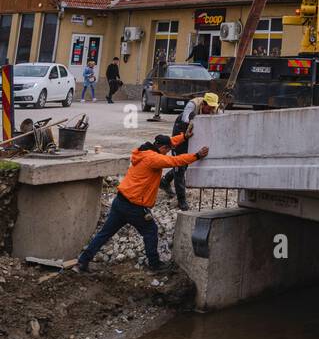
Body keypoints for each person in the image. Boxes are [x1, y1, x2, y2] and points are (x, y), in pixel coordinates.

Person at [74, 134, 208, 273]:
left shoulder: (144, 151)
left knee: (105, 233)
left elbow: (170, 141)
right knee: (150, 231)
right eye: (167, 150)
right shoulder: (153, 158)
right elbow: (174, 161)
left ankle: (82, 262)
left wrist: (184, 136)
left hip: (120, 201)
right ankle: (154, 265)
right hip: (135, 206)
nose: (167, 152)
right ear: (162, 147)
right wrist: (196, 156)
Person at [161, 91, 219, 210]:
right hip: (182, 129)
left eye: (214, 107)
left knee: (185, 164)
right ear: (203, 103)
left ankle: (165, 181)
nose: (212, 110)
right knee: (179, 163)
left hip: (197, 129)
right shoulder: (192, 104)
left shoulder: (214, 109)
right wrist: (192, 119)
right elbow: (185, 118)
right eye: (210, 107)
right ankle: (181, 200)